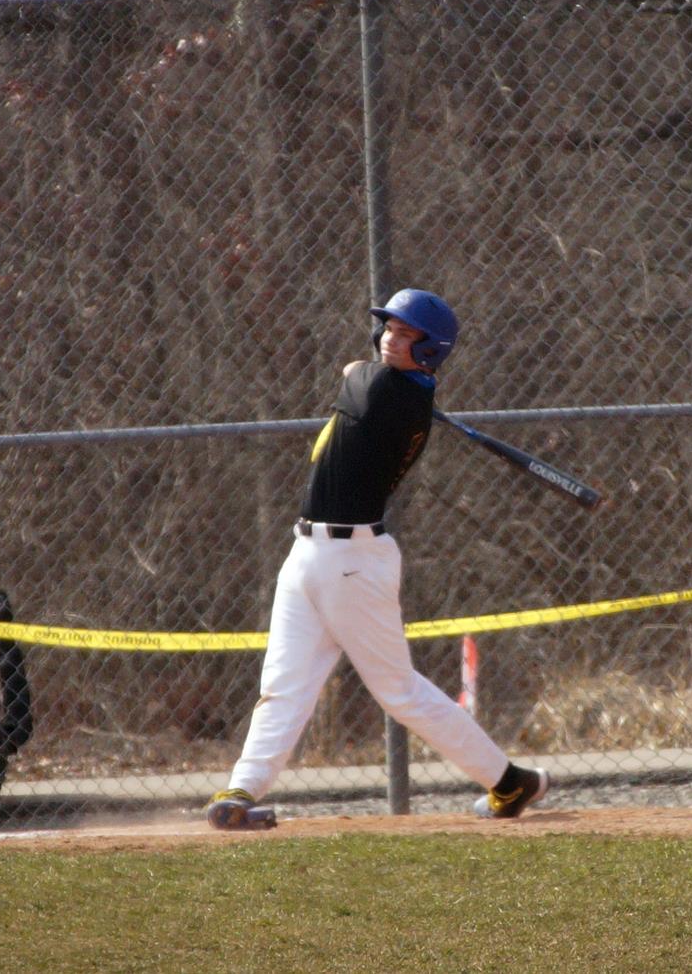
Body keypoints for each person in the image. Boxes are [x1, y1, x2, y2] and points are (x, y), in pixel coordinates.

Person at [206, 288, 550, 830]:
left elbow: (351, 372)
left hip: (353, 561)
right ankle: (241, 791)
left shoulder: (388, 393)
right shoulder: (399, 390)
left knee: (399, 692)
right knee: (284, 682)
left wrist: (403, 382)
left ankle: (510, 782)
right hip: (309, 553)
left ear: (432, 349)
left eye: (407, 333)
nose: (391, 337)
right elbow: (357, 370)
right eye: (388, 327)